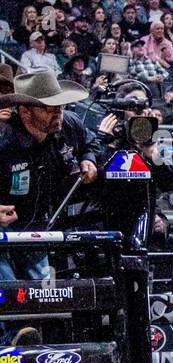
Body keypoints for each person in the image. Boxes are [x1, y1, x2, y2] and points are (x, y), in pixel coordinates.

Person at [0, 69, 99, 284]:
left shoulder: (69, 125)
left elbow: (90, 143)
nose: (58, 113)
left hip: (39, 234)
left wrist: (89, 158)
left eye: (60, 106)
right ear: (25, 112)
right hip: (4, 234)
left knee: (45, 297)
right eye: (49, 108)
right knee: (7, 298)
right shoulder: (3, 138)